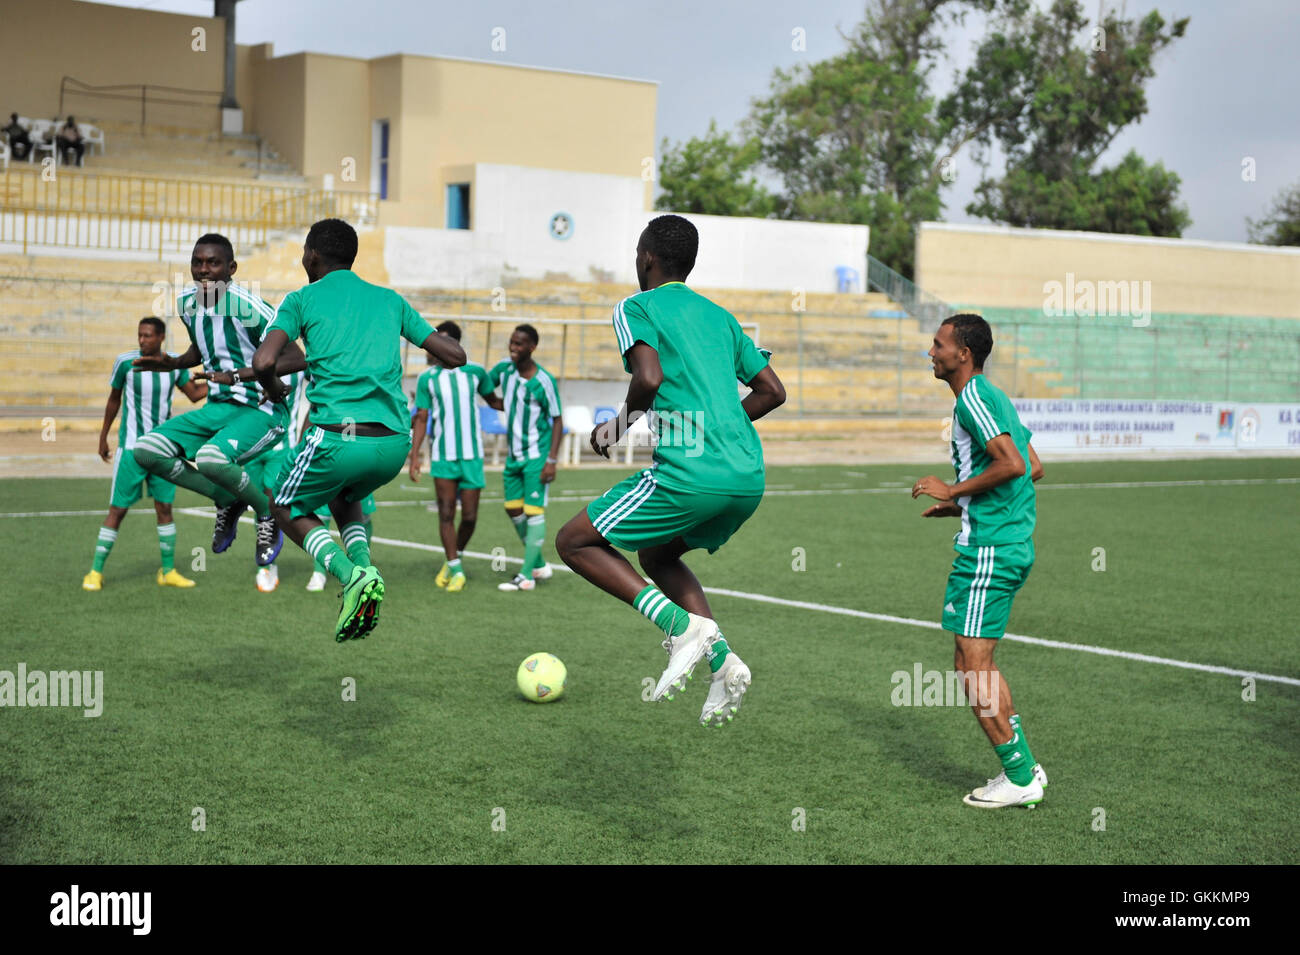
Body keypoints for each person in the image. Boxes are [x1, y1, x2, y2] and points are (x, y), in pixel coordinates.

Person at [554, 214, 786, 727]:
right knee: (656, 554)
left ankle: (682, 627)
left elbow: (649, 376)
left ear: (646, 258)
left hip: (691, 474)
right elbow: (773, 391)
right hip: (748, 476)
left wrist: (614, 431)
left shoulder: (635, 307)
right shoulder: (722, 317)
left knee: (573, 542)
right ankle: (722, 659)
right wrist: (724, 425)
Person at [252, 218, 466, 641]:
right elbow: (454, 356)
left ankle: (348, 574)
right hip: (392, 445)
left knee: (279, 503)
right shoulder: (389, 300)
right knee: (343, 495)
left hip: (336, 437)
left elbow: (263, 362)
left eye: (304, 254)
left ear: (312, 256)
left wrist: (275, 387)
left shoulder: (301, 299)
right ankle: (366, 568)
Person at [911, 313, 1047, 809]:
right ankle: (1023, 766)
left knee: (972, 666)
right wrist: (963, 502)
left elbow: (1012, 464)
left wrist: (954, 489)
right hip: (1005, 543)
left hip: (990, 550)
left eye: (939, 344)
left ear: (963, 353)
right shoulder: (992, 395)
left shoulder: (972, 398)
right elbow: (1033, 465)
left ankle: (1019, 775)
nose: (932, 351)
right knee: (975, 662)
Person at [132, 233, 305, 572]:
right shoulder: (186, 303)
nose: (204, 270)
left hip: (261, 411)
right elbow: (202, 349)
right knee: (146, 450)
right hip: (216, 409)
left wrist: (239, 375)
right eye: (198, 262)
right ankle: (225, 498)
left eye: (213, 263)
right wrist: (173, 362)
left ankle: (267, 513)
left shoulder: (249, 307)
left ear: (231, 268)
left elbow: (296, 358)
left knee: (211, 459)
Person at [83, 318, 208, 591]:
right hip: (130, 450)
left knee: (164, 508)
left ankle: (167, 571)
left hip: (163, 451)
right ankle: (95, 571)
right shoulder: (126, 362)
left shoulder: (173, 364)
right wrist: (103, 436)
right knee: (118, 510)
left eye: (148, 336)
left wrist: (226, 381)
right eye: (140, 335)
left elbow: (195, 394)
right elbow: (113, 399)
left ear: (161, 337)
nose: (142, 340)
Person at [409, 320, 498, 592]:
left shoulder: (476, 372)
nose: (437, 348)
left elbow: (494, 401)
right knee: (447, 512)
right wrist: (415, 456)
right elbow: (422, 418)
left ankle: (453, 558)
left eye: (444, 341)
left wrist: (527, 408)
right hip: (443, 455)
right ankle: (455, 567)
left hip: (472, 455)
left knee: (470, 516)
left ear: (455, 344)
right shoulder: (427, 378)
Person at [486, 324, 563, 592]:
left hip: (536, 457)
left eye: (519, 344)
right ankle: (539, 564)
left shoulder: (544, 381)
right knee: (512, 508)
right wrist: (494, 401)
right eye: (511, 342)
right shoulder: (504, 370)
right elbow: (485, 384)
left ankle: (527, 575)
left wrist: (551, 460)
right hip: (513, 456)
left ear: (532, 347)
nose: (513, 348)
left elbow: (557, 419)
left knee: (533, 513)